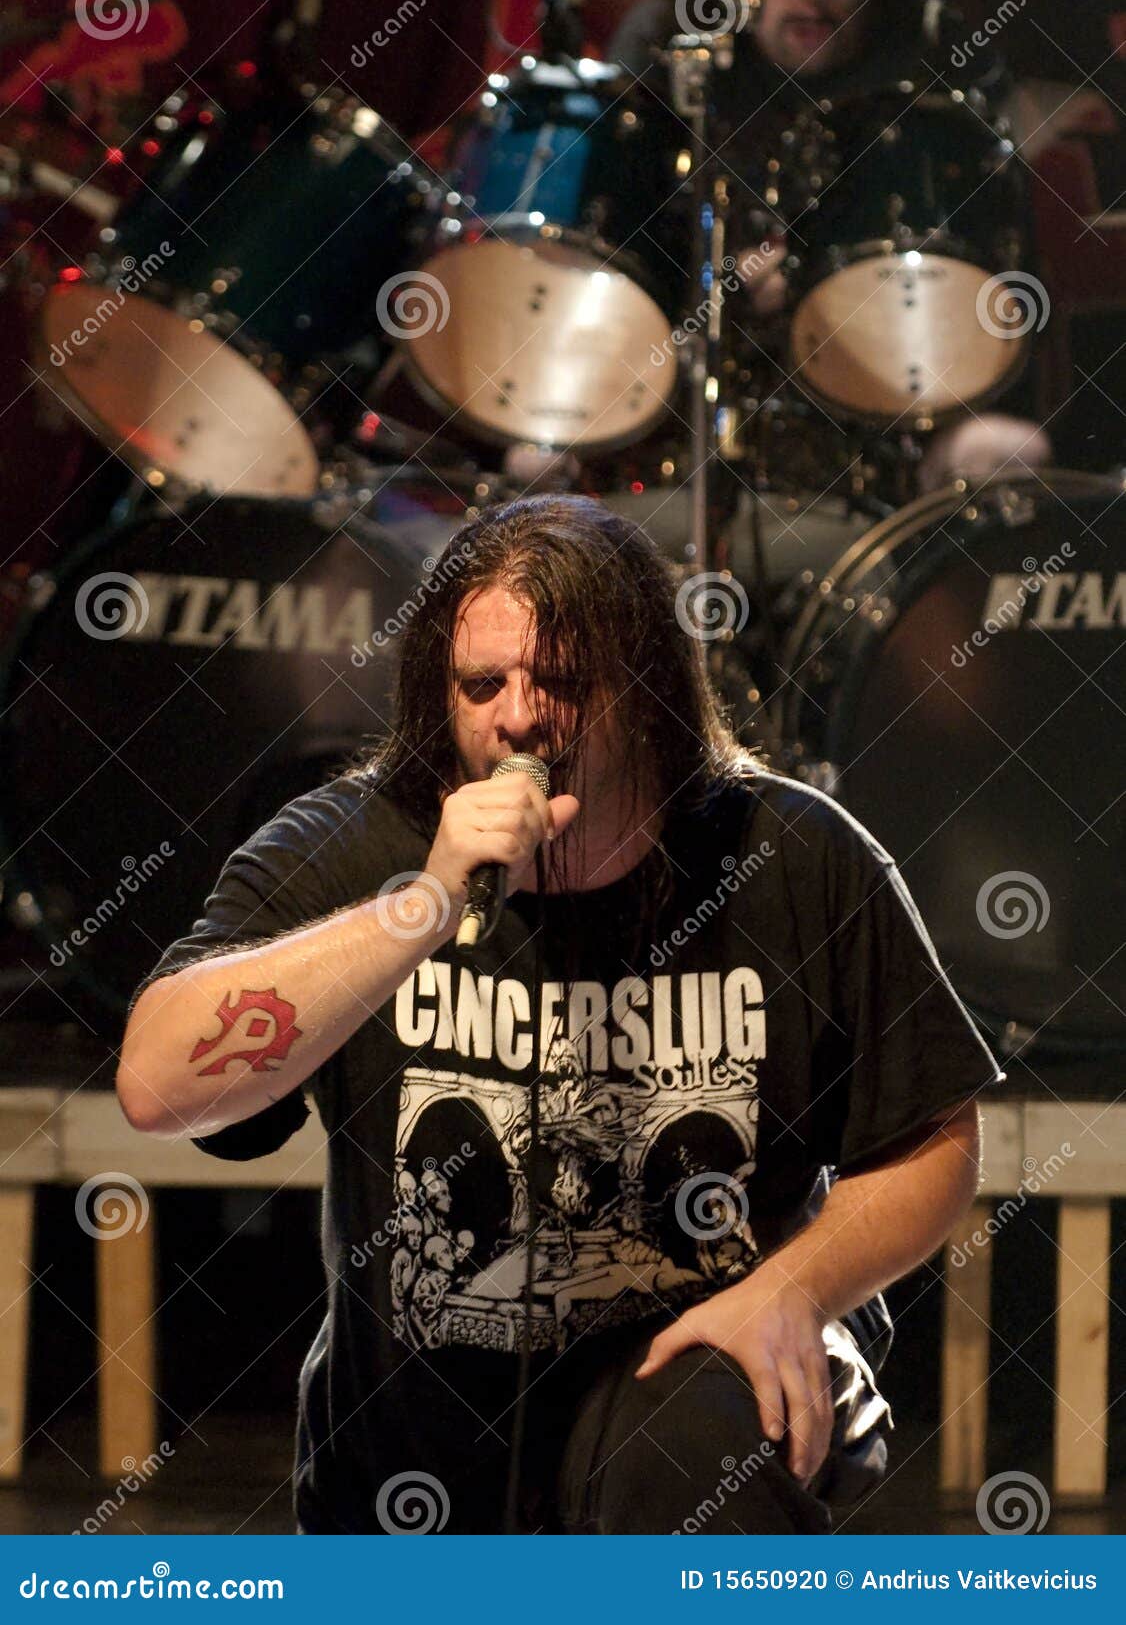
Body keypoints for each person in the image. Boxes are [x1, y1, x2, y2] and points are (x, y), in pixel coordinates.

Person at [118, 493, 1003, 1535]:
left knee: (681, 1434)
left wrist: (798, 1289)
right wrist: (423, 903)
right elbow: (155, 1083)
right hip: (415, 1458)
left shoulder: (792, 853)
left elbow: (931, 1137)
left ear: (648, 692)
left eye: (564, 683)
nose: (519, 715)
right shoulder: (353, 848)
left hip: (704, 1412)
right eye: (481, 683)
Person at [610, 0, 1052, 487]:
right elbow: (632, 249)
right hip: (702, 408)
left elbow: (977, 256)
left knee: (1006, 452)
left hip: (892, 404)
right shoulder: (677, 55)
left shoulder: (927, 61)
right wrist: (725, 287)